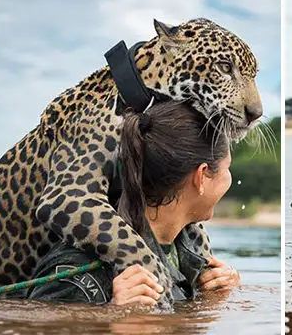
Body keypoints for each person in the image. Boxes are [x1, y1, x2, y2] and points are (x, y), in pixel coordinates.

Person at [25, 100, 240, 306]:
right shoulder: (80, 266)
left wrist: (222, 292)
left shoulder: (190, 249)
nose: (230, 179)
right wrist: (113, 312)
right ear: (201, 176)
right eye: (227, 168)